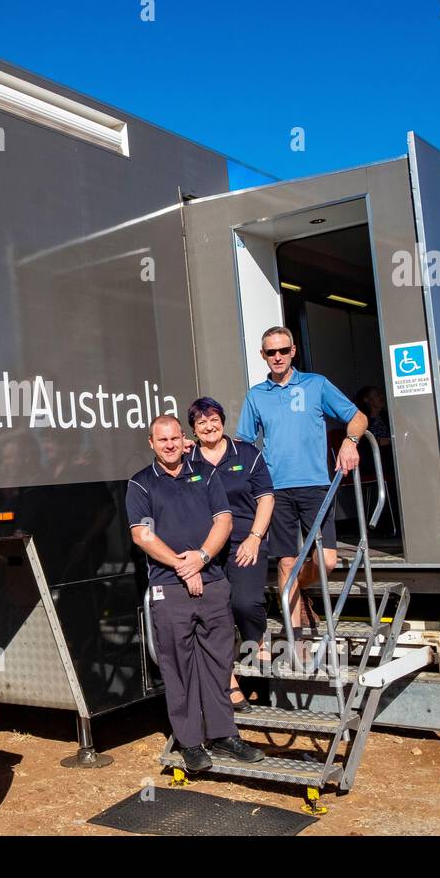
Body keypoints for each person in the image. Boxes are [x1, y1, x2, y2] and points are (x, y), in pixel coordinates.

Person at [126, 414, 265, 770]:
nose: (170, 445)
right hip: (169, 588)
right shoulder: (141, 484)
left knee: (219, 663)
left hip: (213, 582)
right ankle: (190, 743)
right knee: (178, 668)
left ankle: (224, 735)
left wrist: (201, 559)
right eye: (162, 440)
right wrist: (181, 566)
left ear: (183, 439)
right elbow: (141, 534)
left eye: (175, 438)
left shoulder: (207, 474)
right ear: (151, 443)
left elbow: (225, 520)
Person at [236, 327, 367, 636]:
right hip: (275, 490)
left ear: (294, 351)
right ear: (263, 356)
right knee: (286, 563)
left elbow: (358, 417)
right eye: (271, 352)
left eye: (283, 350)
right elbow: (242, 443)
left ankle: (294, 590)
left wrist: (350, 441)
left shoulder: (316, 384)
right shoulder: (256, 395)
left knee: (328, 560)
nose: (278, 357)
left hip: (315, 485)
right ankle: (295, 640)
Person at [185, 397, 274, 711]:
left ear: (222, 421)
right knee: (212, 614)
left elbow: (265, 499)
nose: (209, 426)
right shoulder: (187, 459)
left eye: (214, 420)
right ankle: (231, 684)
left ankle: (257, 639)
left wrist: (254, 537)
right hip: (207, 547)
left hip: (244, 541)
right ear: (193, 430)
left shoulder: (246, 453)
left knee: (244, 602)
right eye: (201, 423)